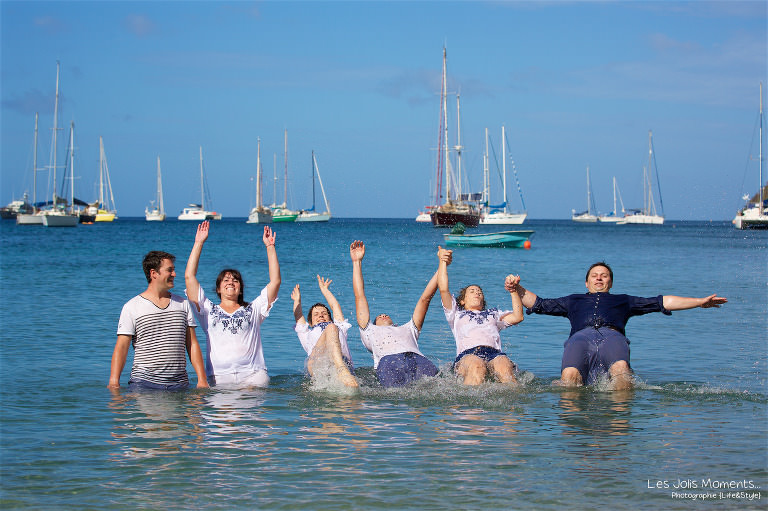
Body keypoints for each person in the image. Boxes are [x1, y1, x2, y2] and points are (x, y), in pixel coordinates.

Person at [511, 261, 728, 390]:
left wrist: (699, 302)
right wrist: (516, 288)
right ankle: (574, 429)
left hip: (612, 337)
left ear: (610, 282)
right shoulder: (573, 300)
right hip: (580, 338)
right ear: (586, 282)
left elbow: (663, 302)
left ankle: (618, 426)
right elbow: (538, 304)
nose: (599, 278)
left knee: (621, 371)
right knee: (569, 377)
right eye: (594, 276)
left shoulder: (624, 300)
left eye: (604, 276)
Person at [184, 220, 280, 388]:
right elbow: (189, 277)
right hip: (218, 378)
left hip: (253, 376)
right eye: (226, 280)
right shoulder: (207, 310)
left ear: (240, 288)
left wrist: (270, 247)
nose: (231, 282)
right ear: (218, 288)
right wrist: (198, 243)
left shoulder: (253, 309)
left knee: (251, 399)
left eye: (235, 280)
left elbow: (275, 282)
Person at [109, 250, 208, 391]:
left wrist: (202, 379)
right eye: (170, 270)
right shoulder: (132, 307)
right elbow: (122, 347)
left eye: (173, 270)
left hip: (179, 384)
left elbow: (192, 343)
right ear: (154, 273)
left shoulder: (183, 304)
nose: (174, 274)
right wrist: (114, 381)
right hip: (144, 384)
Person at [350, 240, 442, 388]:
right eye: (379, 316)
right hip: (389, 362)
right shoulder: (369, 330)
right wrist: (356, 262)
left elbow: (425, 299)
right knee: (396, 393)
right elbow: (359, 295)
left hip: (419, 360)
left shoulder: (409, 328)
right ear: (373, 322)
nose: (383, 315)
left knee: (435, 389)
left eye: (385, 314)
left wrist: (442, 266)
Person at [437, 246, 524, 385]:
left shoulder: (494, 314)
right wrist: (443, 262)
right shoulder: (456, 314)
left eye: (479, 292)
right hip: (468, 355)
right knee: (477, 365)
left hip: (495, 354)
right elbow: (443, 289)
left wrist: (513, 290)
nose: (477, 293)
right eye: (472, 291)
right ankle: (468, 399)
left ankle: (515, 398)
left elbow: (518, 317)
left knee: (504, 366)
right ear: (462, 301)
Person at [291, 275, 358, 388]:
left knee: (332, 328)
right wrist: (297, 301)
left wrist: (325, 290)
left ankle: (342, 370)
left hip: (343, 360)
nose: (321, 316)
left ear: (330, 318)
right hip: (316, 364)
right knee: (331, 328)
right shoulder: (307, 333)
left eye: (324, 313)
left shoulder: (339, 327)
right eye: (316, 314)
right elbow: (298, 316)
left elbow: (335, 306)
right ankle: (341, 370)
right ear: (310, 322)